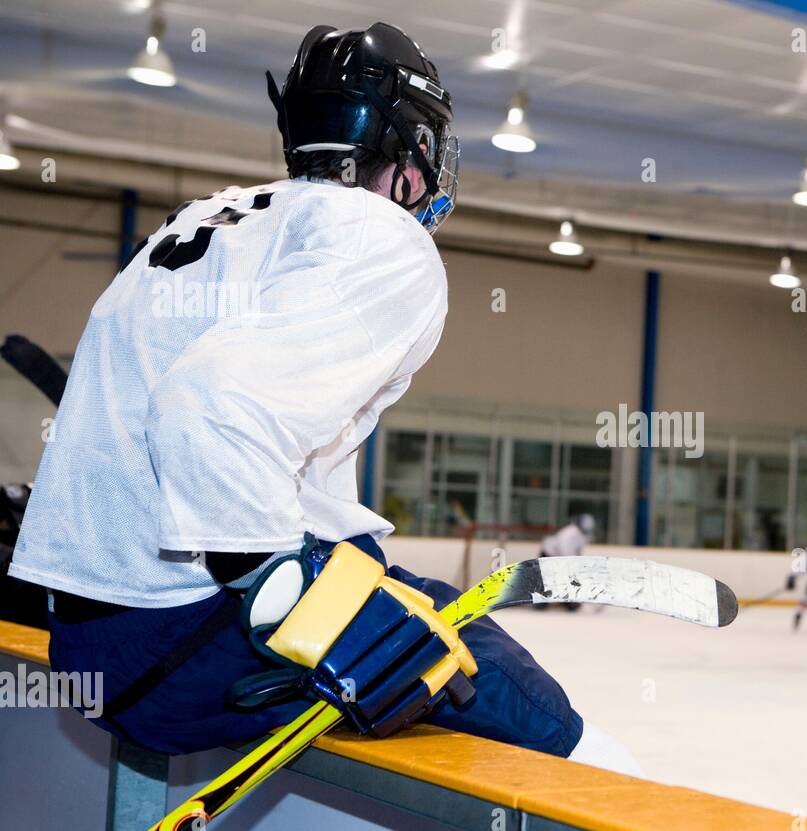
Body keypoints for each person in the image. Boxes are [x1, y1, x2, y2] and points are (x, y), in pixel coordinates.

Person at [7, 23, 591, 762]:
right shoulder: (383, 237)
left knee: (406, 604)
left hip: (87, 642)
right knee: (546, 723)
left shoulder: (208, 218)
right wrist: (284, 591)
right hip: (181, 641)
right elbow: (208, 407)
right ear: (410, 149)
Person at [536, 514, 596, 611]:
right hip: (549, 554)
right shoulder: (569, 533)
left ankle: (566, 602)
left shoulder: (582, 535)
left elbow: (578, 551)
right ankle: (542, 601)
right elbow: (564, 550)